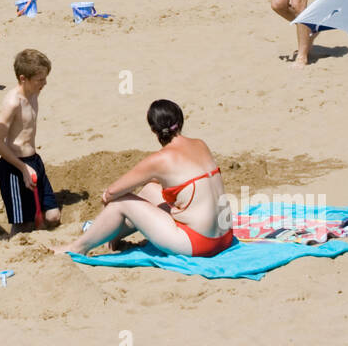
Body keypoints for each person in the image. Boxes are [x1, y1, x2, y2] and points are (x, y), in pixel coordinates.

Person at [55, 100, 232, 258]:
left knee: (120, 202)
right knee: (150, 190)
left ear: (154, 130)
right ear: (181, 121)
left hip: (199, 244)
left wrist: (106, 204)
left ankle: (78, 247)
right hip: (224, 237)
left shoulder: (159, 160)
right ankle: (112, 236)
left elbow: (111, 193)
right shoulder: (200, 144)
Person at [0, 49, 60, 233]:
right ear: (23, 78)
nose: (44, 83)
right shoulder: (12, 103)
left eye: (45, 78)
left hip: (34, 160)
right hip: (14, 166)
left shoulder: (34, 93)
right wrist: (22, 168)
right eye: (40, 79)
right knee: (23, 225)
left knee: (53, 216)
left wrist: (30, 166)